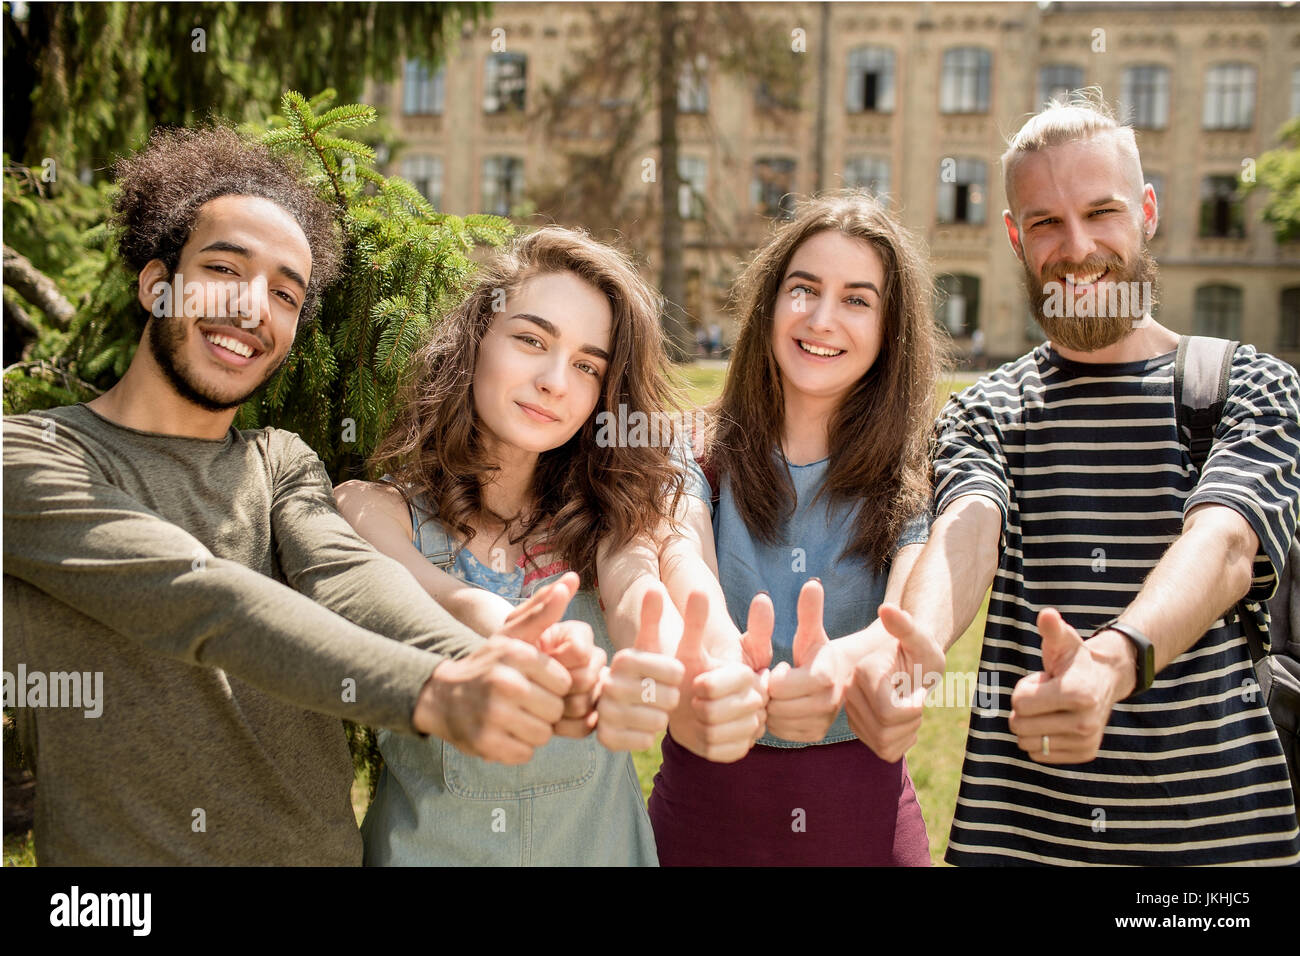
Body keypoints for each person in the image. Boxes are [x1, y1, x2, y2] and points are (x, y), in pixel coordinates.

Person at [2, 126, 595, 865]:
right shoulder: (28, 456)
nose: (255, 309)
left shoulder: (280, 461)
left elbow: (350, 577)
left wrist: (487, 649)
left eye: (286, 293)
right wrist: (435, 690)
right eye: (225, 268)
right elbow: (196, 596)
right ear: (157, 284)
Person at [858, 92, 1300, 865]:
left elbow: (1227, 544)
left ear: (1148, 211)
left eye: (1102, 212)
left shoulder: (1252, 386)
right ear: (1013, 237)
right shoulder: (985, 411)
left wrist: (1112, 660)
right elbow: (967, 531)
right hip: (1020, 845)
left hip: (1219, 858)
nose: (1077, 246)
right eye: (1045, 223)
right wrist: (917, 650)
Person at [334, 226, 769, 865]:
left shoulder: (616, 514)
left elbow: (637, 589)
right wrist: (496, 622)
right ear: (474, 341)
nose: (554, 381)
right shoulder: (371, 510)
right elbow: (429, 597)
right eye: (532, 339)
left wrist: (696, 665)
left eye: (587, 364)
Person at [645, 192, 948, 866]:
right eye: (803, 289)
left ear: (890, 330)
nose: (822, 318)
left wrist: (852, 666)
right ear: (769, 305)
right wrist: (724, 654)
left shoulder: (917, 473)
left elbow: (905, 614)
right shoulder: (685, 450)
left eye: (857, 300)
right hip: (704, 815)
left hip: (863, 824)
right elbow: (681, 559)